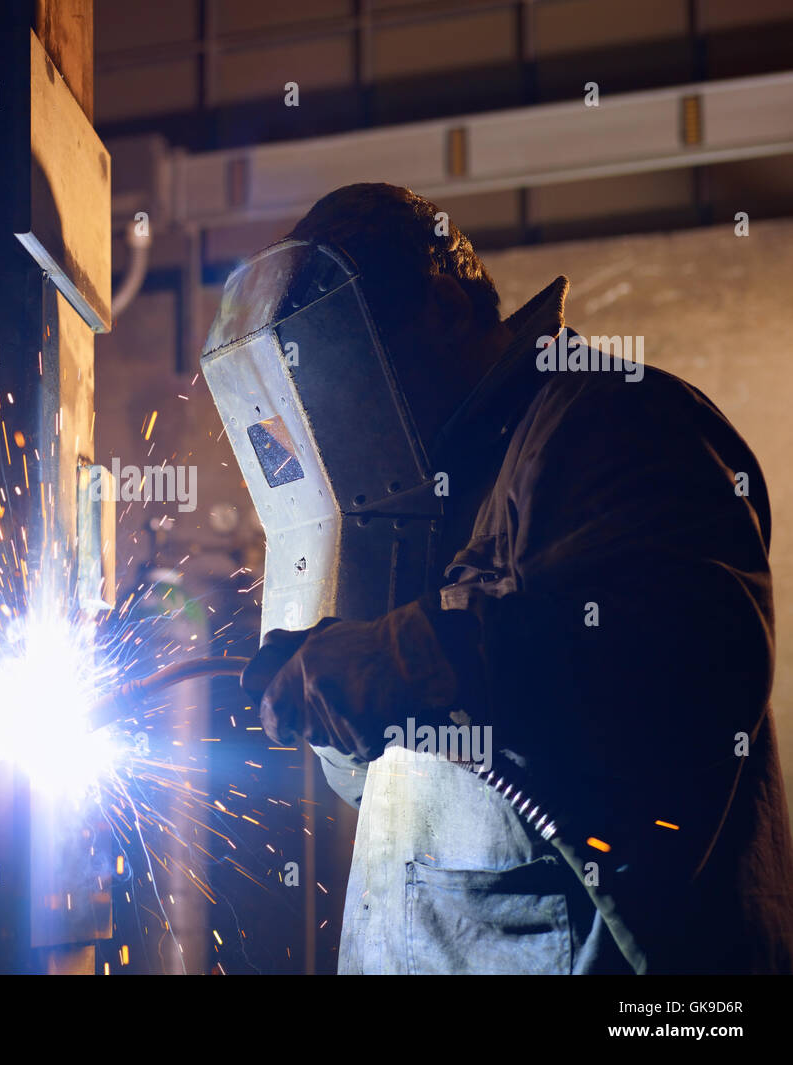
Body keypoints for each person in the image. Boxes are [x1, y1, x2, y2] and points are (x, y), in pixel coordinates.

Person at [240, 183, 793, 974]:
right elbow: (425, 794)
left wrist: (397, 663)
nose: (334, 419)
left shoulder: (614, 421)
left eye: (346, 373)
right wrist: (332, 713)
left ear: (441, 309)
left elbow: (682, 674)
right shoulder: (430, 496)